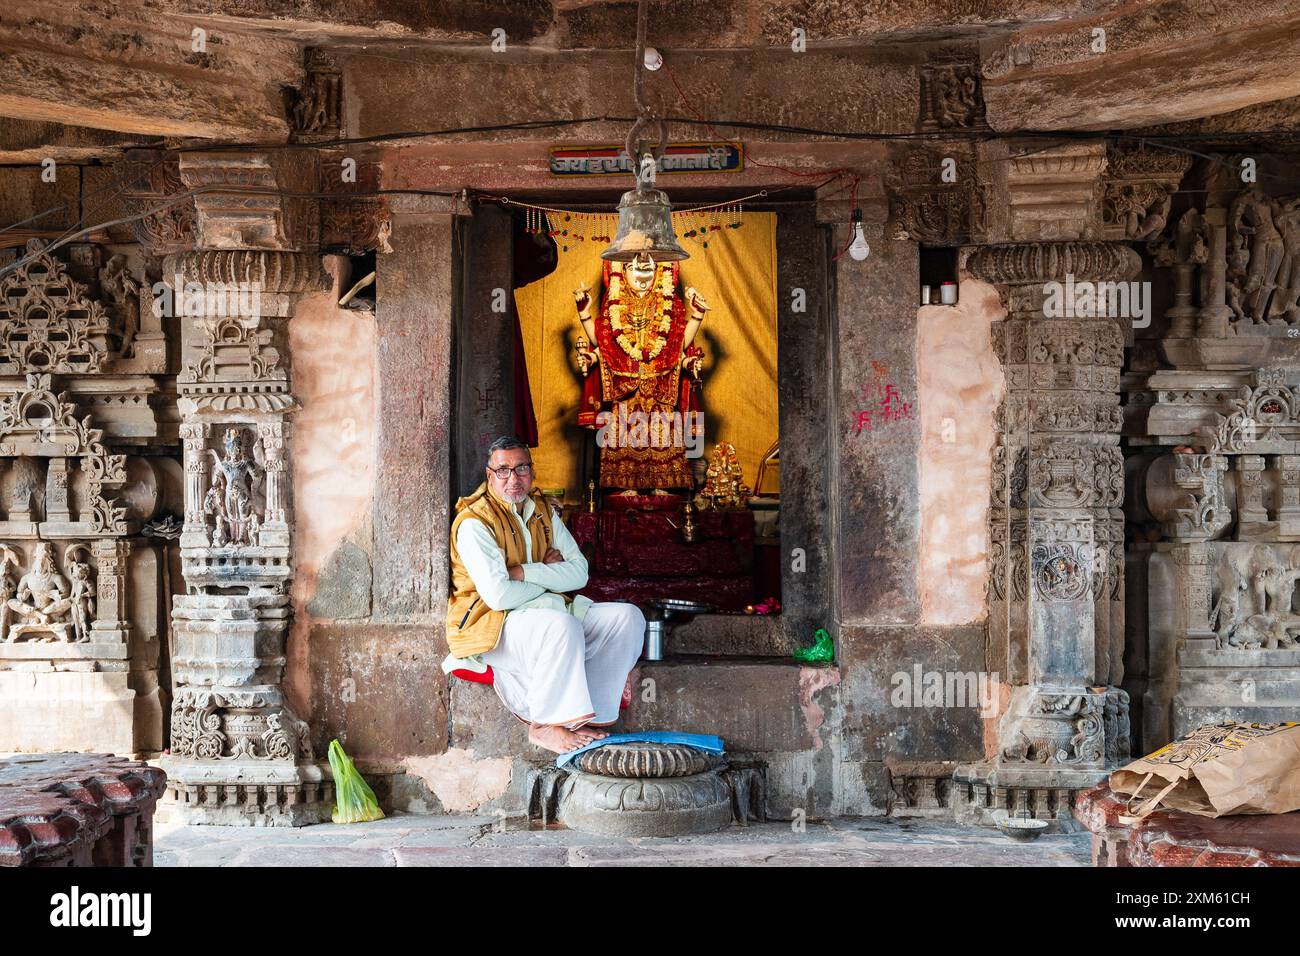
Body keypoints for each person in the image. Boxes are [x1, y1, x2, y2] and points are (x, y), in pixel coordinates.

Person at [446, 436, 645, 753]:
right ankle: (546, 725)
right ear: (489, 476)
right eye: (503, 470)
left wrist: (525, 571)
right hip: (494, 628)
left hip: (547, 614)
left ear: (532, 471)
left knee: (626, 618)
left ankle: (587, 715)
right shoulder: (474, 522)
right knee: (559, 626)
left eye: (521, 468)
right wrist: (550, 576)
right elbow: (498, 597)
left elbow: (579, 572)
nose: (513, 479)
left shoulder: (542, 512)